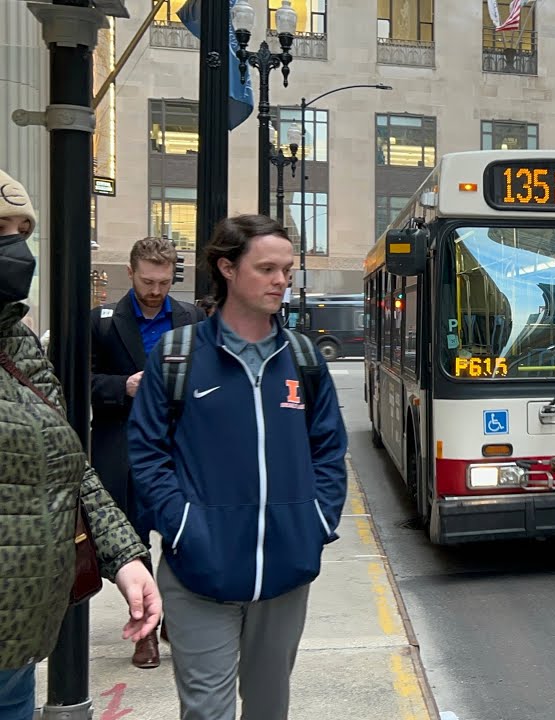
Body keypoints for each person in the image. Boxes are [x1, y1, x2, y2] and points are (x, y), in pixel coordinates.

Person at [128, 214, 348, 720]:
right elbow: (147, 453)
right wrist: (182, 525)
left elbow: (329, 451)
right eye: (266, 269)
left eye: (287, 270)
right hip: (199, 572)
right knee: (207, 711)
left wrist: (315, 522)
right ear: (227, 268)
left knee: (269, 708)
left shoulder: (304, 359)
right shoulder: (178, 356)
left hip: (285, 571)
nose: (280, 281)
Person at [0, 168, 162, 719]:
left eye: (21, 232)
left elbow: (65, 461)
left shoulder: (18, 344)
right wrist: (122, 387)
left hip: (20, 641)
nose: (16, 251)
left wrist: (124, 558)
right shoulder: (100, 322)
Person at [90, 236, 201, 668]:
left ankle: (174, 616)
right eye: (147, 281)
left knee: (181, 535)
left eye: (164, 282)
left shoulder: (191, 318)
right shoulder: (101, 323)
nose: (155, 290)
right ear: (130, 273)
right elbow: (77, 381)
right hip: (125, 444)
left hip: (180, 444)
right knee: (133, 540)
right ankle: (145, 630)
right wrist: (124, 386)